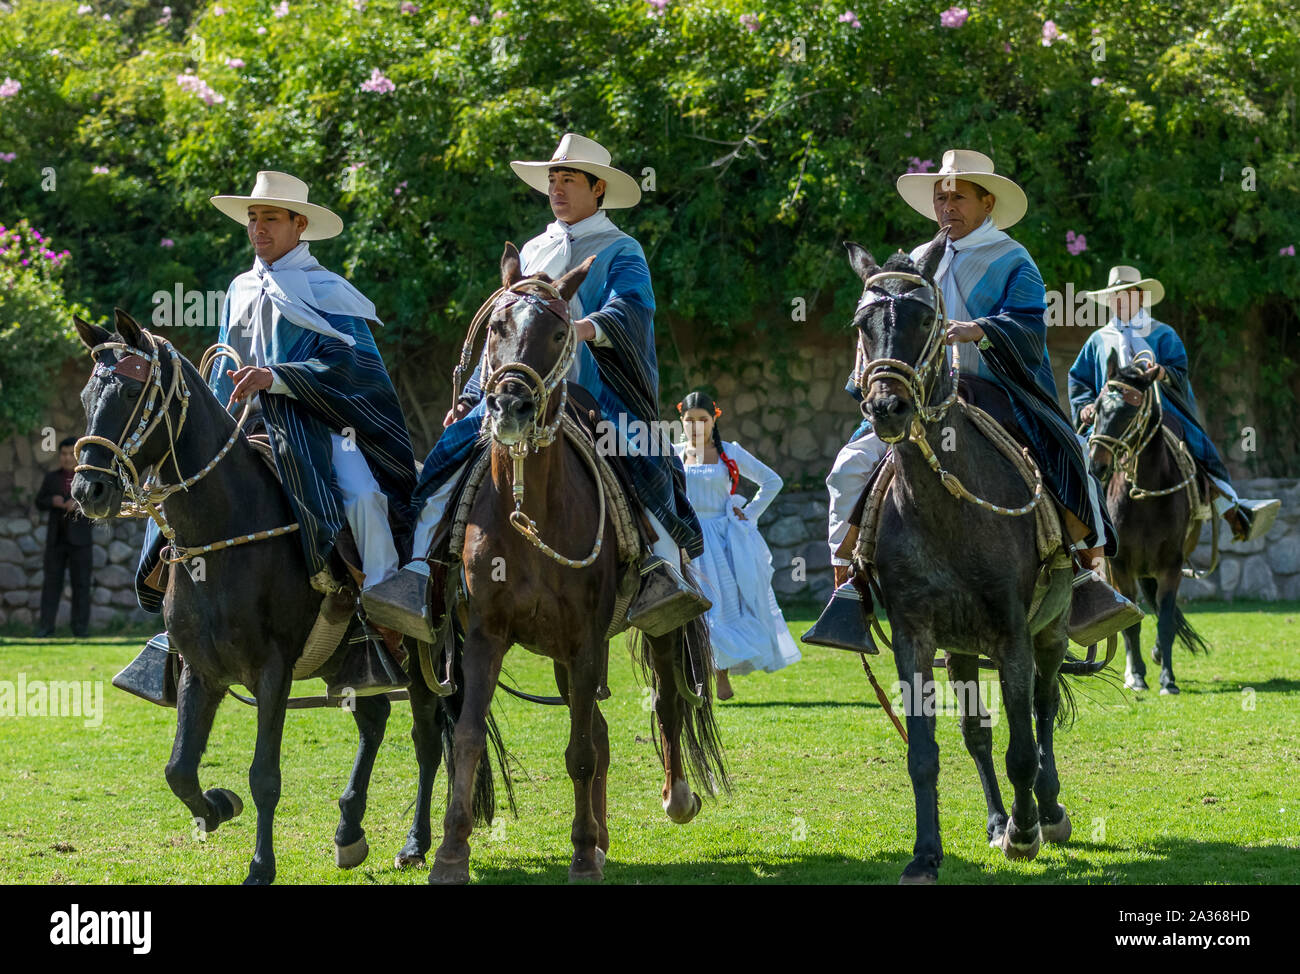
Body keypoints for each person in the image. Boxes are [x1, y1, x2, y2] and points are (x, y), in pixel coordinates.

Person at [364, 133, 707, 640]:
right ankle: (417, 572)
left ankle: (662, 575)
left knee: (647, 460)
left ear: (598, 189)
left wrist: (579, 327)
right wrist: (470, 396)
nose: (557, 188)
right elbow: (505, 329)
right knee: (442, 462)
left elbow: (630, 309)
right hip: (520, 396)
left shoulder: (622, 249)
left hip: (598, 394)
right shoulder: (533, 249)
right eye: (553, 179)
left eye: (569, 179)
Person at [823, 148, 1138, 646]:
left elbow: (1031, 326)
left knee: (1071, 452)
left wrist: (982, 330)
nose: (947, 205)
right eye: (941, 196)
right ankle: (850, 585)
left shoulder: (1014, 259)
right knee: (847, 465)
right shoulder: (916, 260)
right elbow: (883, 322)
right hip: (921, 397)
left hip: (999, 392)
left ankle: (1086, 574)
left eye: (959, 197)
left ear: (987, 203)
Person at [132, 170, 417, 692]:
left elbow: (354, 369)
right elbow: (221, 368)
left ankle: (383, 619)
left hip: (319, 425)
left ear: (299, 224)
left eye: (270, 218)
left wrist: (279, 377)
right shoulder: (239, 288)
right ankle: (174, 629)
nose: (258, 228)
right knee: (172, 494)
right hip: (242, 426)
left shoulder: (330, 292)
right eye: (253, 218)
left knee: (363, 497)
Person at [1068, 265, 1280, 541]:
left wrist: (1162, 372)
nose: (1119, 301)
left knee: (1195, 446)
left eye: (1125, 295)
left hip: (1159, 410)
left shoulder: (1162, 334)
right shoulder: (1098, 340)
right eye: (1114, 296)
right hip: (1109, 418)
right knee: (1077, 457)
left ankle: (1227, 504)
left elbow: (1179, 370)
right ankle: (1070, 527)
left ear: (1140, 297)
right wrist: (1085, 406)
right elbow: (1079, 379)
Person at [675, 392, 800, 699]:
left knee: (723, 609)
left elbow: (772, 481)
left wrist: (749, 513)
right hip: (688, 539)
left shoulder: (728, 452)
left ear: (714, 419)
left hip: (722, 542)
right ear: (682, 421)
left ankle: (721, 676)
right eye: (690, 421)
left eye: (703, 420)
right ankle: (697, 676)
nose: (696, 427)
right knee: (693, 610)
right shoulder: (674, 454)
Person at [34, 437, 94, 638]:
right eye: (64, 454)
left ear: (77, 456)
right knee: (51, 584)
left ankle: (80, 630)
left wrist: (79, 506)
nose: (67, 458)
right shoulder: (51, 478)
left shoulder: (88, 478)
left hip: (81, 541)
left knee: (81, 585)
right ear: (60, 456)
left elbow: (96, 505)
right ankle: (46, 627)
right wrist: (53, 501)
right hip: (56, 540)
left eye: (71, 454)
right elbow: (39, 502)